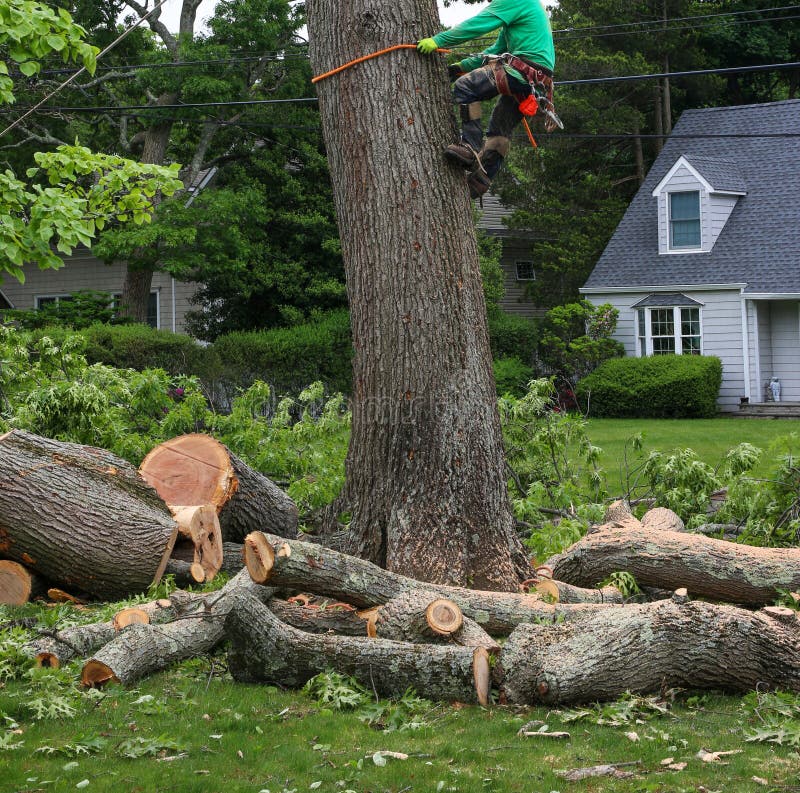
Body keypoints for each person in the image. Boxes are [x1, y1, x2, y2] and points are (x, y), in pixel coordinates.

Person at [417, 0, 558, 198]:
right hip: (536, 82)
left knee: (466, 86)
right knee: (500, 128)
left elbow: (479, 24)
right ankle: (481, 179)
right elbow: (498, 48)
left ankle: (470, 147)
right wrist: (461, 67)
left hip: (523, 72)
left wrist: (438, 41)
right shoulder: (524, 9)